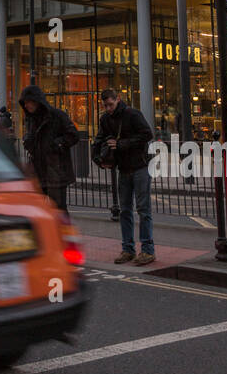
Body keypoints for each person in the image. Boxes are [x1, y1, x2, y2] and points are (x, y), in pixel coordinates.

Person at [92, 86, 155, 266]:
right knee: (125, 210)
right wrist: (97, 158)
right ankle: (128, 249)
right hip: (123, 169)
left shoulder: (133, 114)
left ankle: (147, 250)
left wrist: (121, 144)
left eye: (110, 105)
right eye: (105, 106)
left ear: (118, 99)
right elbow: (99, 139)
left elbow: (147, 134)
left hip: (140, 167)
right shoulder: (105, 119)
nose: (108, 109)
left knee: (143, 210)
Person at [18, 84, 79, 217]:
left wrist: (57, 144)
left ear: (37, 101)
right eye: (25, 103)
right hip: (39, 171)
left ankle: (63, 236)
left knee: (59, 210)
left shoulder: (57, 116)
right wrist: (28, 141)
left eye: (29, 102)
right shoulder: (31, 119)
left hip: (56, 171)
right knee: (39, 211)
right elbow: (33, 139)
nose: (27, 106)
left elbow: (74, 135)